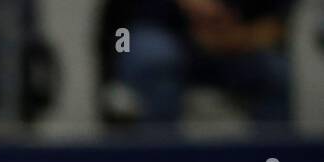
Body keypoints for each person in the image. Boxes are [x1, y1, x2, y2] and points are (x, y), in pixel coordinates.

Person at [114, 0, 295, 126]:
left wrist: (235, 37)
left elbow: (277, 23)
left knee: (279, 73)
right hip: (166, 32)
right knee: (154, 58)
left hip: (236, 46)